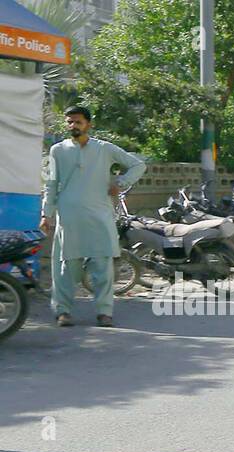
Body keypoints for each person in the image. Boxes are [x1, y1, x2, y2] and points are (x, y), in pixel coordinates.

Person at [40, 106, 147, 328]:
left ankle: (104, 312)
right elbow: (51, 183)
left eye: (78, 122)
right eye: (69, 122)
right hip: (69, 217)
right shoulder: (57, 151)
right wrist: (46, 214)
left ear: (88, 124)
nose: (73, 126)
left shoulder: (104, 149)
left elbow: (138, 164)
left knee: (103, 266)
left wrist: (121, 183)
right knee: (66, 267)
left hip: (99, 215)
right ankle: (63, 311)